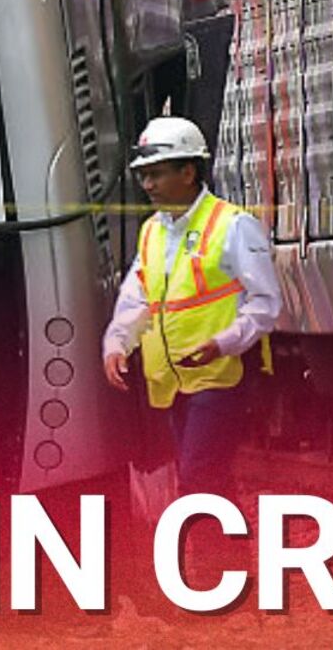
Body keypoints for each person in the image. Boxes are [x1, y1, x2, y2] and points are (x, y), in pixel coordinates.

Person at [103, 116, 280, 497]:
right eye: (143, 176)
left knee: (199, 480)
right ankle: (229, 556)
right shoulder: (153, 231)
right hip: (174, 379)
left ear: (188, 172)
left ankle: (210, 555)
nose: (148, 185)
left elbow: (265, 303)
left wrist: (223, 343)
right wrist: (117, 344)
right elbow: (137, 296)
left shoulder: (233, 225)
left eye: (157, 174)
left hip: (222, 374)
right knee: (207, 479)